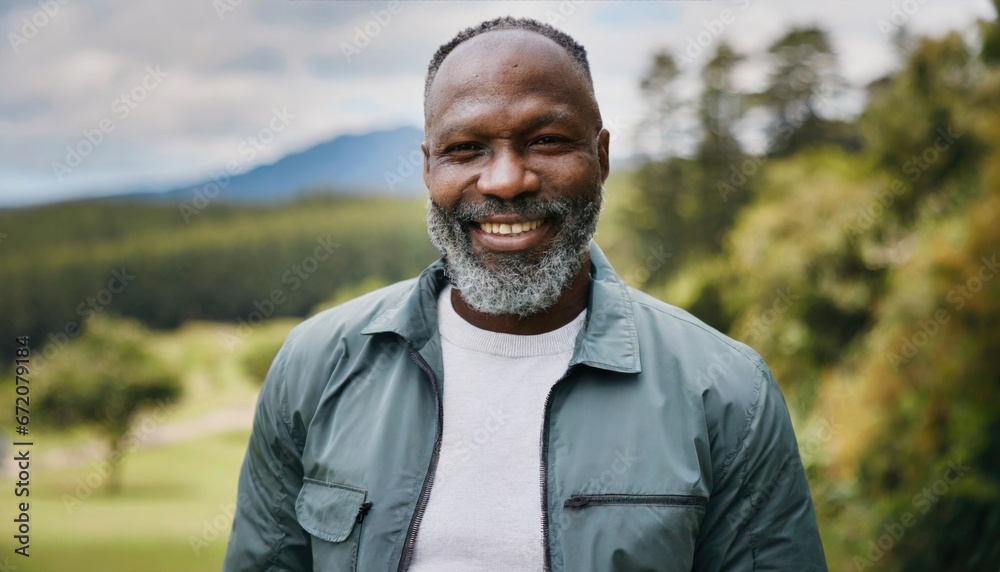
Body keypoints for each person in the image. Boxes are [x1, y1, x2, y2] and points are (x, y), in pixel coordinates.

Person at [223, 16, 827, 572]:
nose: (507, 180)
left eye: (546, 141)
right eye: (466, 149)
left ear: (602, 157)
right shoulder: (315, 367)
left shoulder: (727, 391)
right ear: (429, 168)